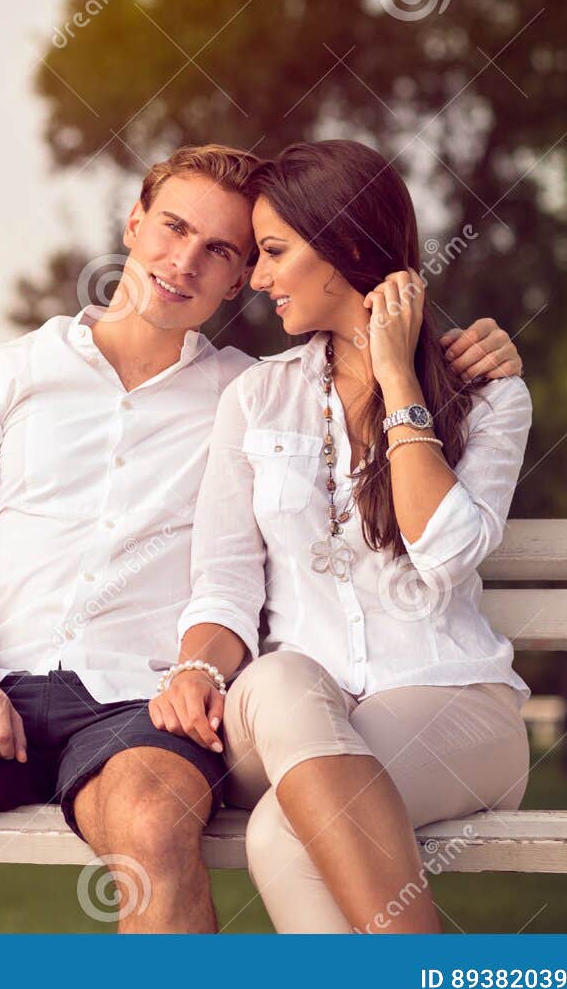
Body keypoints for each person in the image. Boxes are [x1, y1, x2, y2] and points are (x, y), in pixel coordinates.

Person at [0, 143, 523, 932]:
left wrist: (465, 355)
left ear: (240, 279)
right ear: (134, 222)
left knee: (155, 826)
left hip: (139, 703)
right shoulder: (5, 374)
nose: (184, 261)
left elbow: (235, 574)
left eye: (225, 251)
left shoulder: (253, 391)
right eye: (172, 228)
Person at [151, 139, 533, 933]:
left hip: (458, 710)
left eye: (275, 252)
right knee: (284, 677)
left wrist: (398, 381)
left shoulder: (489, 395)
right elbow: (224, 579)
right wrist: (194, 667)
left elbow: (449, 552)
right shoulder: (257, 398)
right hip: (287, 710)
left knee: (287, 830)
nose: (255, 278)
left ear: (350, 248)